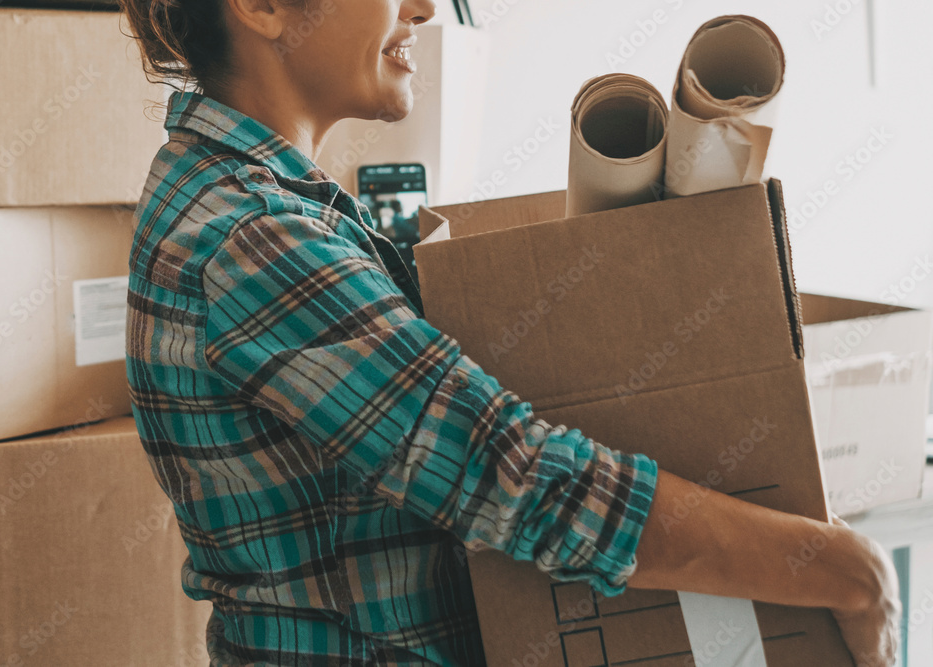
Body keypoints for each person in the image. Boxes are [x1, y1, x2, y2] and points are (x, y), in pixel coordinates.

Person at [120, 0, 901, 665]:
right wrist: (838, 570)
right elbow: (515, 477)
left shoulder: (239, 194)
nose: (425, 7)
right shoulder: (254, 236)